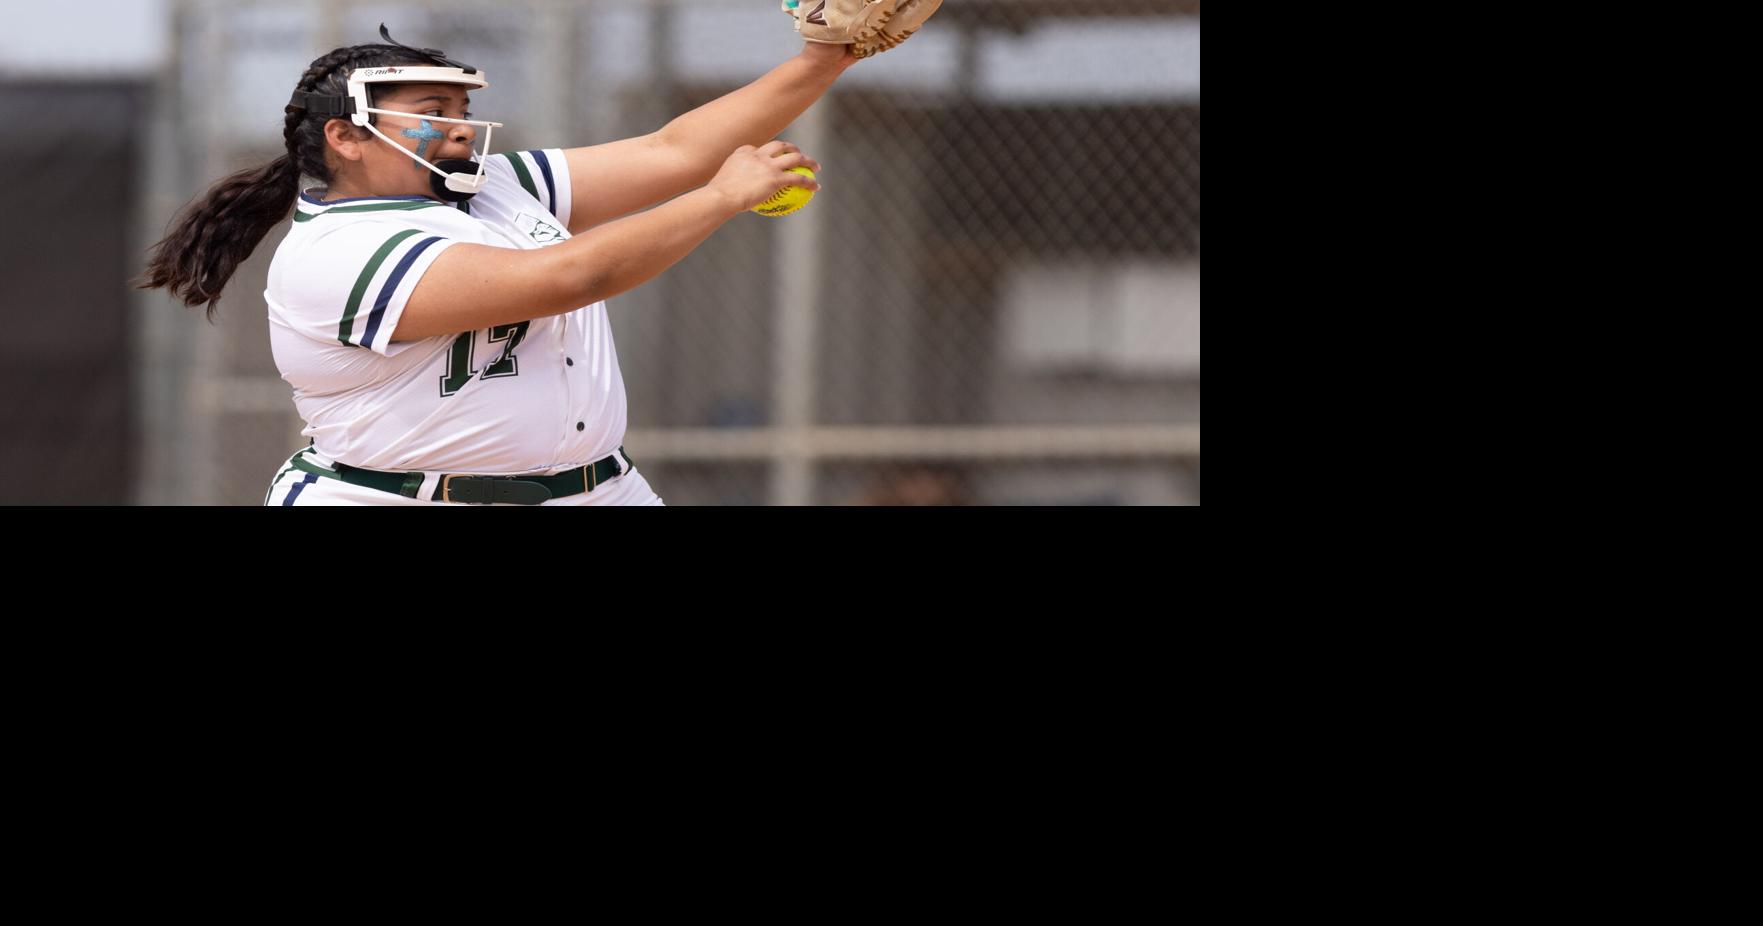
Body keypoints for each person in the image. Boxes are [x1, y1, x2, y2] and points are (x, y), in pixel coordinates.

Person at [135, 24, 847, 505]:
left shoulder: (497, 185)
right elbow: (570, 278)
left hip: (598, 489)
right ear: (346, 137)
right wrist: (721, 198)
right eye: (432, 107)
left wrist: (829, 58)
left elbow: (674, 151)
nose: (458, 122)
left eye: (460, 105)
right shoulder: (335, 252)